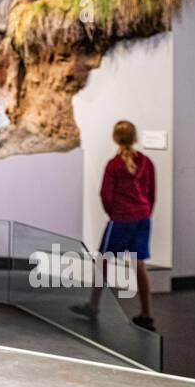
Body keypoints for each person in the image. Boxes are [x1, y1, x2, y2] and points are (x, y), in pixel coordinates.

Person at [71, 120, 157, 331]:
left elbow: (105, 194)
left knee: (104, 261)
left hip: (121, 220)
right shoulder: (147, 163)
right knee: (139, 265)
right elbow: (152, 193)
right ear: (135, 137)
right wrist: (145, 212)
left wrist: (114, 213)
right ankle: (146, 313)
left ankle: (93, 305)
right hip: (142, 219)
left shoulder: (114, 165)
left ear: (115, 138)